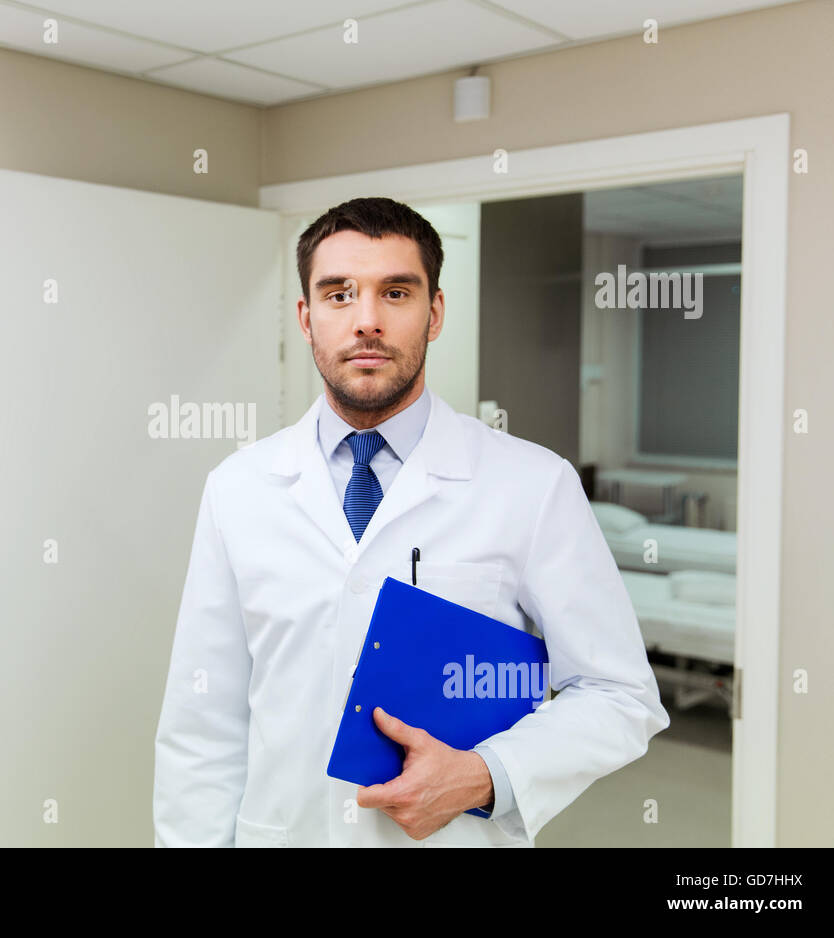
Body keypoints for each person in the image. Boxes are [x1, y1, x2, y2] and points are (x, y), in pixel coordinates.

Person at [152, 196, 669, 847]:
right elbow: (202, 723)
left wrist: (487, 774)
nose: (366, 321)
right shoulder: (239, 489)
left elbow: (618, 693)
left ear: (435, 312)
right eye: (339, 295)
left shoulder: (532, 485)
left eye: (395, 292)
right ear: (306, 318)